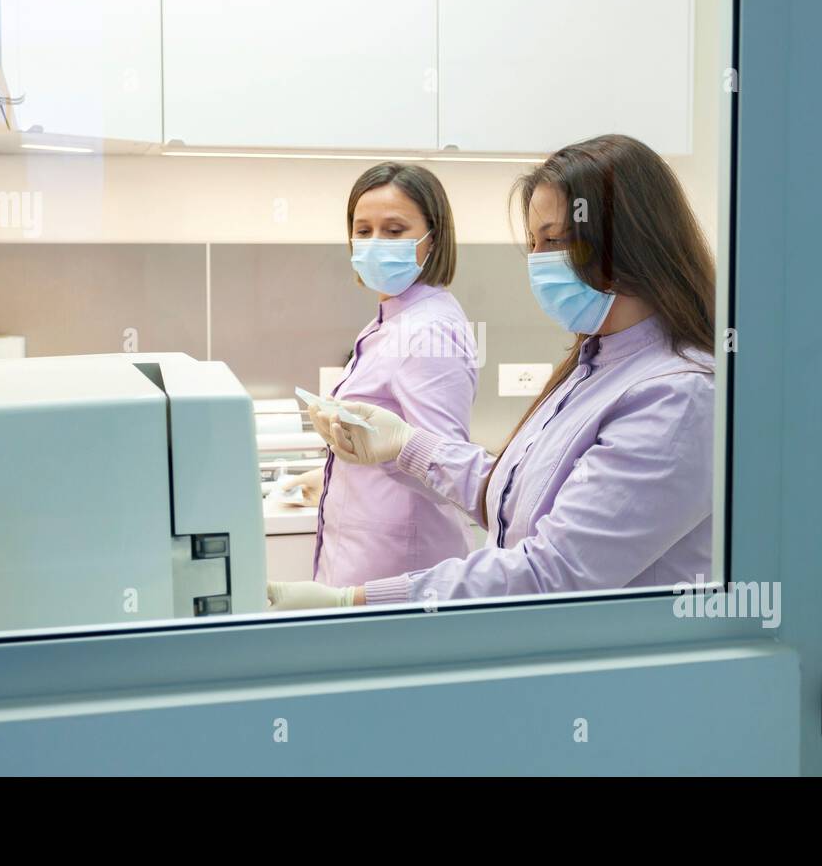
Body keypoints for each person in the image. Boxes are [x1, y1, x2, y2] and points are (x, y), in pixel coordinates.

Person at [268, 134, 715, 610]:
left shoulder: (676, 395)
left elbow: (553, 572)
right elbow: (509, 495)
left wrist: (356, 600)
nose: (540, 260)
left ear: (628, 240)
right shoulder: (592, 365)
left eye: (555, 240)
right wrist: (404, 444)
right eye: (534, 243)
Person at [281, 163, 478, 585]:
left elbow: (447, 473)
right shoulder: (391, 319)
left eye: (394, 230)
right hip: (365, 560)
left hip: (401, 568)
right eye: (363, 230)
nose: (374, 244)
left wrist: (380, 455)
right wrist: (337, 475)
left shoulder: (429, 331)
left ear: (433, 239)